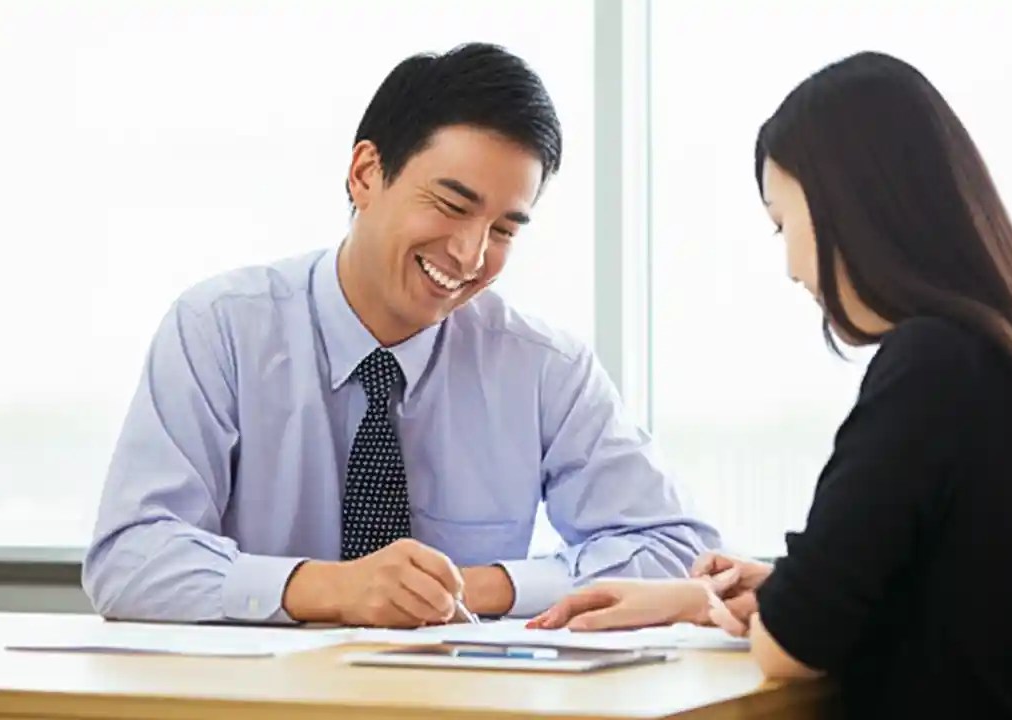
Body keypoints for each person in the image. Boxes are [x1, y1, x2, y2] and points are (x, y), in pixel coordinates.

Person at [529, 51, 1012, 719]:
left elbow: (792, 646)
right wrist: (729, 598)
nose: (793, 267)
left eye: (782, 223)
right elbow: (944, 592)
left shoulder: (930, 365)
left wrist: (781, 608)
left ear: (850, 209)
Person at [80, 42, 719, 629]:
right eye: (452, 206)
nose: (471, 256)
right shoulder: (220, 329)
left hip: (458, 694)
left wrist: (478, 587)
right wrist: (331, 588)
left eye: (503, 230)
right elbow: (130, 558)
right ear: (365, 173)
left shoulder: (543, 367)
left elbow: (678, 551)